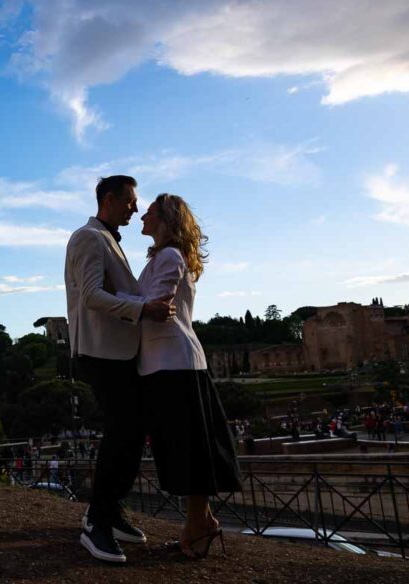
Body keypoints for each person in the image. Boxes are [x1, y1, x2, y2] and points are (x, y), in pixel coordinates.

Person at [64, 175, 175, 564]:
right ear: (109, 199)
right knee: (124, 429)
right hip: (100, 350)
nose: (135, 206)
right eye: (130, 200)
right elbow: (92, 295)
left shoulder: (104, 238)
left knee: (130, 429)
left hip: (115, 350)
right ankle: (97, 521)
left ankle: (108, 512)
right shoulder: (88, 237)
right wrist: (144, 308)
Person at [137, 193, 242, 560]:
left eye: (148, 212)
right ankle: (203, 523)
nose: (141, 217)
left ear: (165, 218)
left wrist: (108, 302)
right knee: (183, 448)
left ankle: (198, 526)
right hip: (167, 363)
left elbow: (157, 307)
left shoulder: (168, 256)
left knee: (188, 450)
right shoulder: (162, 257)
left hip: (175, 364)